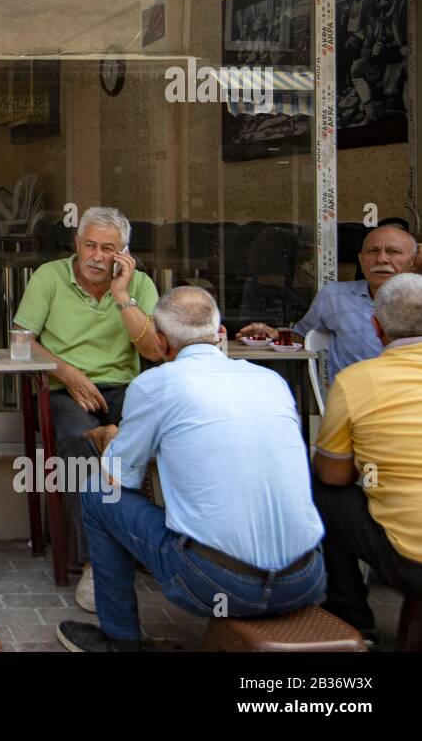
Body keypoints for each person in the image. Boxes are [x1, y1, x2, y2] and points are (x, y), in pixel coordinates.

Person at [57, 287, 326, 652]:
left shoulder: (155, 384)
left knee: (95, 492)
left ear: (162, 342)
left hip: (219, 585)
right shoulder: (271, 381)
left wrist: (110, 439)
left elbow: (119, 477)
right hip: (307, 579)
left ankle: (120, 641)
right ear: (220, 335)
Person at [10, 206, 163, 610]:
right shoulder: (50, 277)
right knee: (79, 443)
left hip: (125, 389)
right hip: (63, 388)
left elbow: (153, 351)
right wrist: (70, 374)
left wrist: (122, 297)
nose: (96, 256)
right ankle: (97, 562)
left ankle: (161, 543)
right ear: (76, 244)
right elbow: (20, 342)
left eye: (107, 248)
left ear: (123, 253)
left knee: (159, 435)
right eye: (89, 245)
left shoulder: (140, 285)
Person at [313, 272, 422, 643]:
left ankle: (352, 617)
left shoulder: (356, 380)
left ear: (376, 327)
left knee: (322, 490)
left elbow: (333, 475)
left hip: (410, 563)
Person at [238, 221, 418, 382]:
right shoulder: (334, 296)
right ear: (361, 261)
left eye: (393, 252)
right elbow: (302, 337)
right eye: (373, 251)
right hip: (354, 402)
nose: (382, 259)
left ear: (414, 262)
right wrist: (273, 334)